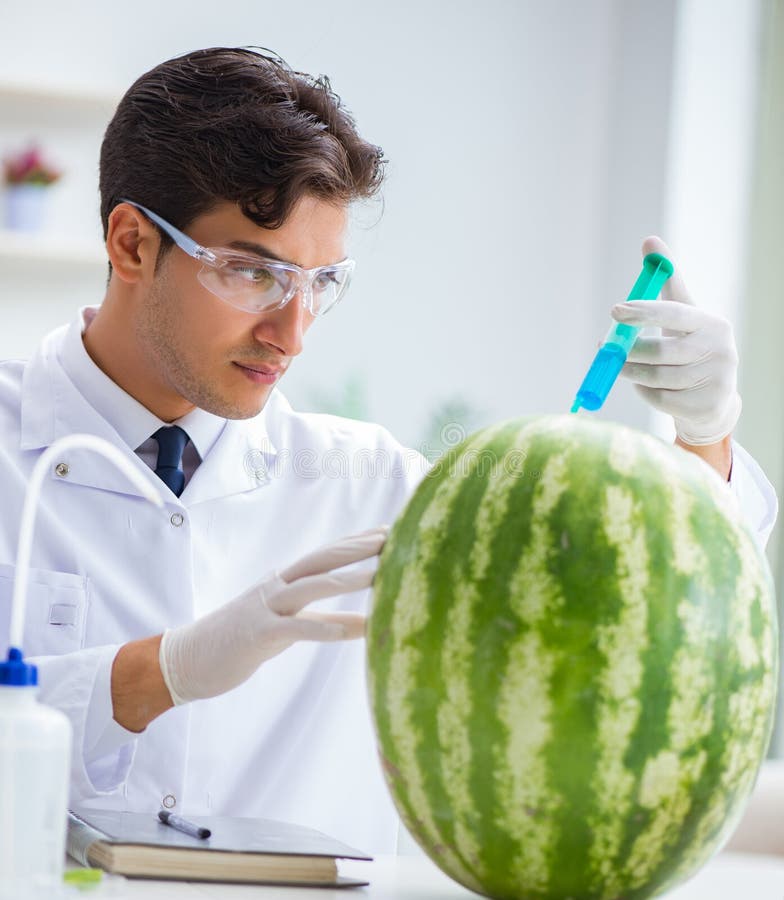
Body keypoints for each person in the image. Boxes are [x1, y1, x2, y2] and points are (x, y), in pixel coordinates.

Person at [0, 47, 776, 855]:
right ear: (130, 244)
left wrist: (705, 435)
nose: (291, 333)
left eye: (321, 283)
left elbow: (642, 604)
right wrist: (160, 671)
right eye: (252, 274)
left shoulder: (374, 487)